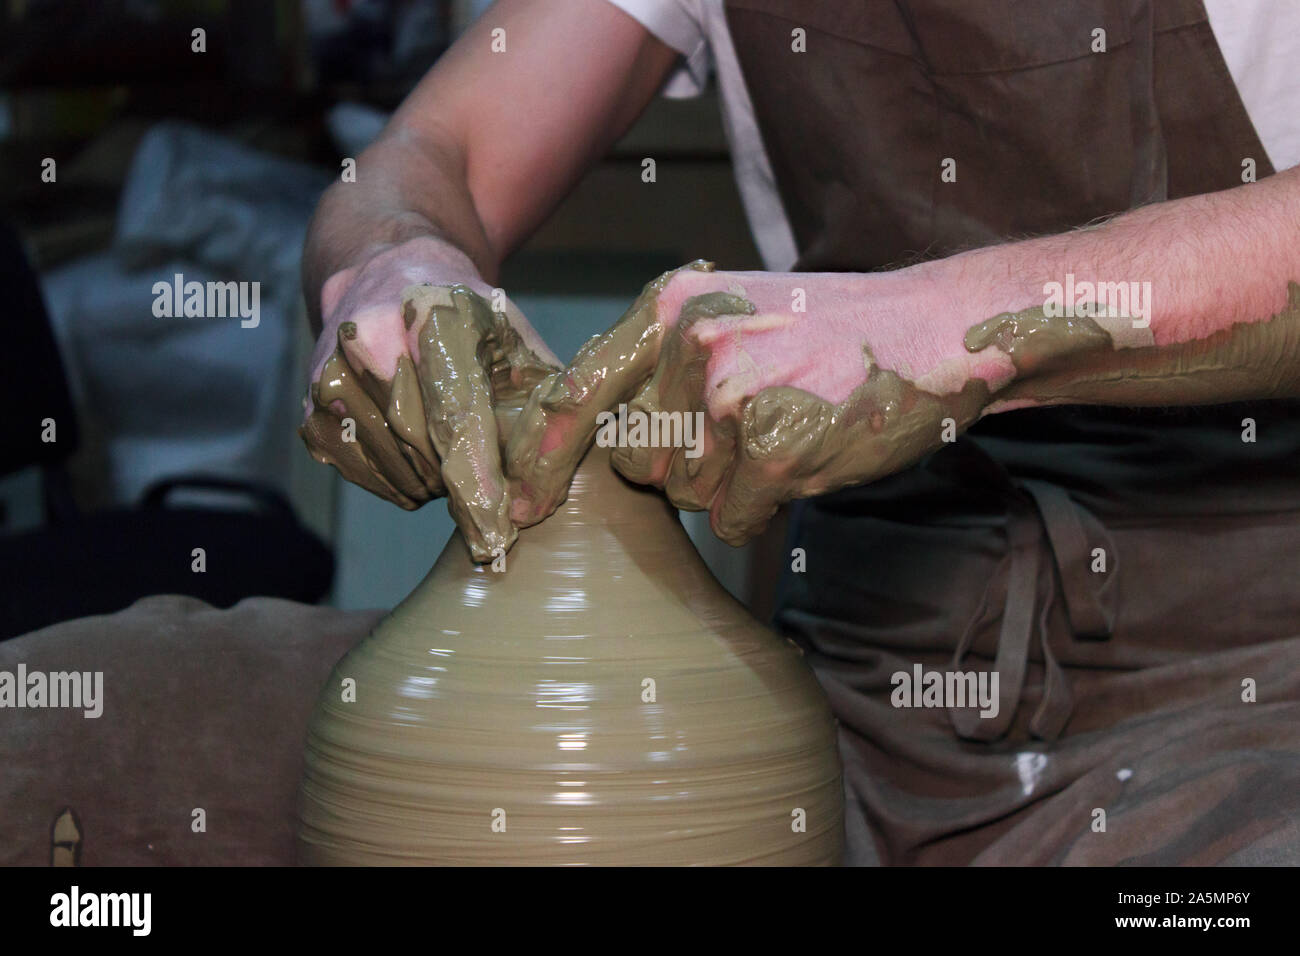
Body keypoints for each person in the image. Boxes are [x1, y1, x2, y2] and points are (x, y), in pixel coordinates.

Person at [299, 0, 1300, 864]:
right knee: (170, 714)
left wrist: (947, 326)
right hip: (855, 677)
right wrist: (390, 263)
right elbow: (438, 155)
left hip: (1240, 691)